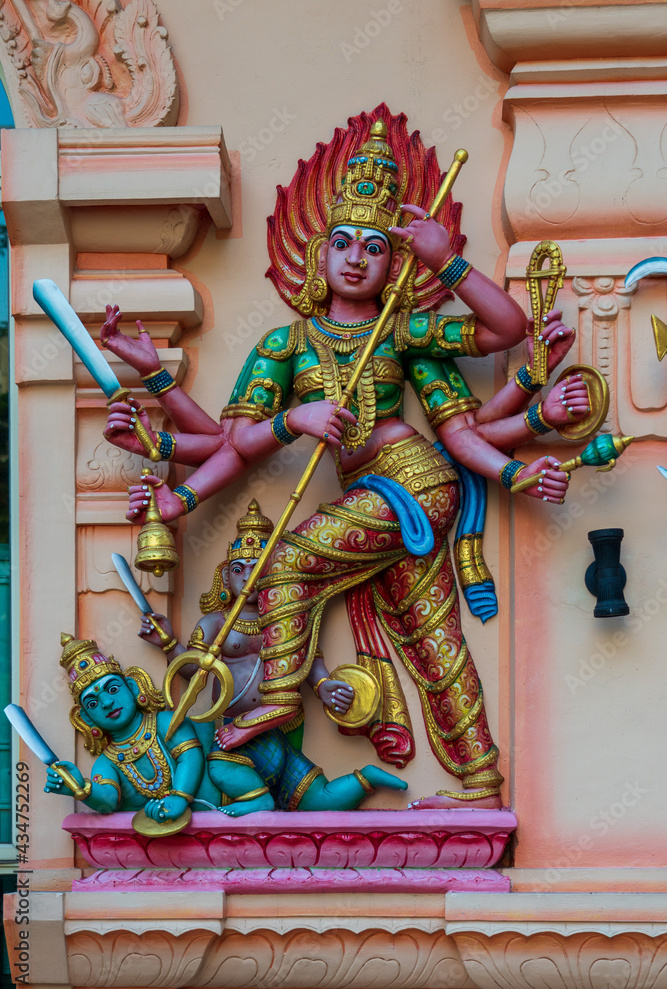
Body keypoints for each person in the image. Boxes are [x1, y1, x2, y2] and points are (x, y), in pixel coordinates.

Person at [102, 117, 589, 807]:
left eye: (375, 248)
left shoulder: (404, 331)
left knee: (284, 563)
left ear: (393, 264)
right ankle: (480, 782)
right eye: (342, 243)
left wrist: (442, 258)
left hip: (413, 484)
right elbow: (230, 443)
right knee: (431, 637)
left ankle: (276, 694)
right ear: (315, 257)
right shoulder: (285, 344)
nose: (357, 259)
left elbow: (503, 330)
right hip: (380, 504)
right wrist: (167, 395)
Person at [138, 499, 407, 816]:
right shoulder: (214, 623)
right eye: (239, 569)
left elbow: (307, 661)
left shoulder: (287, 617)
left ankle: (363, 780)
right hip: (232, 725)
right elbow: (193, 672)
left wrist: (322, 685)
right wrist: (168, 643)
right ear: (226, 577)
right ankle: (354, 782)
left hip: (282, 721)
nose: (248, 577)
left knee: (295, 799)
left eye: (259, 567)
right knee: (243, 782)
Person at [44, 633, 208, 823]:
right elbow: (109, 801)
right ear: (87, 719)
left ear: (132, 687)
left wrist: (180, 797)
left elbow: (190, 756)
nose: (106, 702)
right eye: (92, 703)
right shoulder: (106, 763)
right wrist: (81, 788)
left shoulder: (166, 722)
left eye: (113, 689)